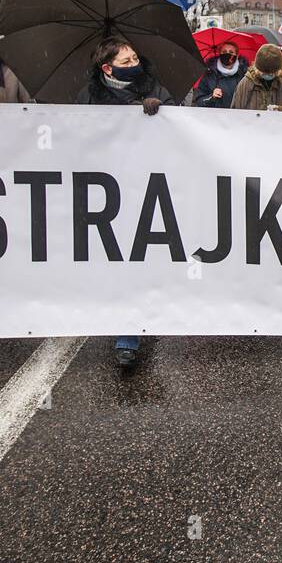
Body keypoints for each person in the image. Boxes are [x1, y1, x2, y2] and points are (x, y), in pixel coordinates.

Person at [75, 37, 174, 366]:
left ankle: (128, 334)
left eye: (135, 58)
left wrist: (160, 113)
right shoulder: (88, 96)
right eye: (127, 61)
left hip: (146, 188)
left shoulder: (156, 89)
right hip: (104, 190)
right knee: (113, 259)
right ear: (108, 68)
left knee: (136, 258)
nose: (135, 64)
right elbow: (74, 135)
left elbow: (182, 133)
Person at [231, 43, 282, 112]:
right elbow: (234, 113)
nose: (268, 75)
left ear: (279, 69)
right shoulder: (246, 84)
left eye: (272, 73)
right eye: (264, 72)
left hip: (281, 127)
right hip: (252, 127)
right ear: (257, 68)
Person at [192, 38, 246, 109]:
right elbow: (199, 102)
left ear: (237, 55)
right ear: (219, 54)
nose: (227, 54)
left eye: (231, 52)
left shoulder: (243, 76)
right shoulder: (209, 76)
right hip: (215, 118)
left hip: (237, 117)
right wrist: (211, 97)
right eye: (224, 52)